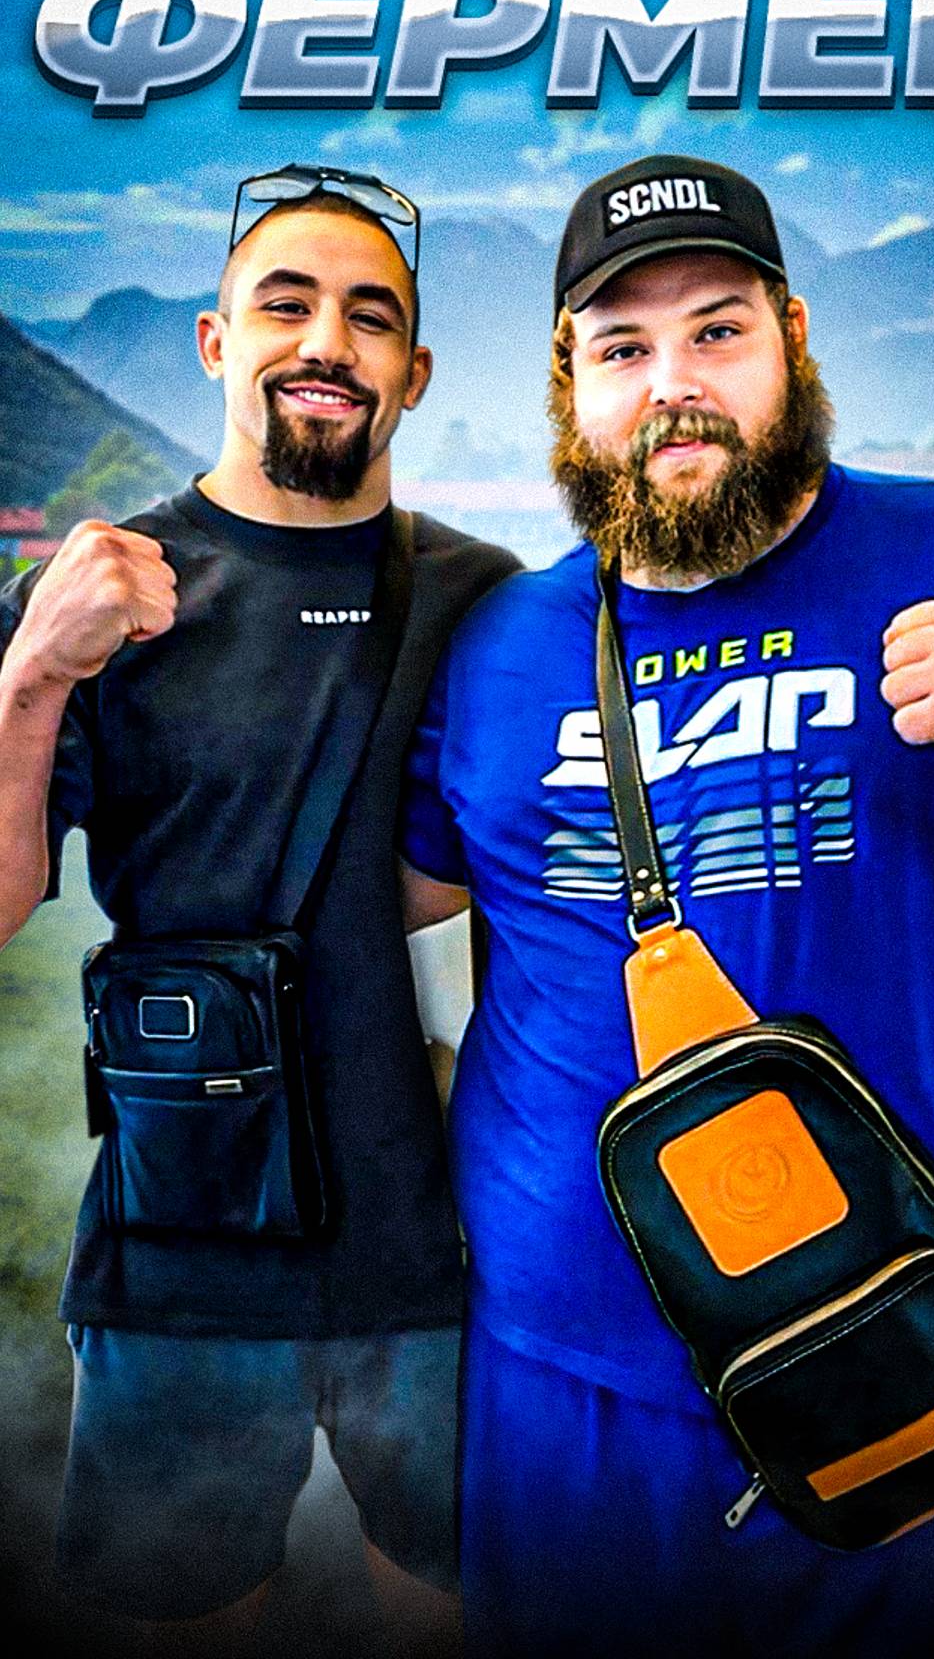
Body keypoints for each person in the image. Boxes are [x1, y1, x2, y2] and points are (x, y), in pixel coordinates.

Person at [400, 154, 934, 1656]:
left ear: (793, 337)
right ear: (569, 381)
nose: (674, 386)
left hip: (928, 1364)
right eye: (623, 348)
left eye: (717, 330)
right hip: (571, 1400)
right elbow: (389, 913)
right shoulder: (499, 645)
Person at [0, 163, 518, 1650]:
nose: (326, 343)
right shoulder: (105, 592)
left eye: (370, 317)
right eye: (285, 305)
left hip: (444, 1263)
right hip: (181, 1254)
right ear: (216, 340)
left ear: (414, 371)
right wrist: (32, 674)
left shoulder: (492, 602)